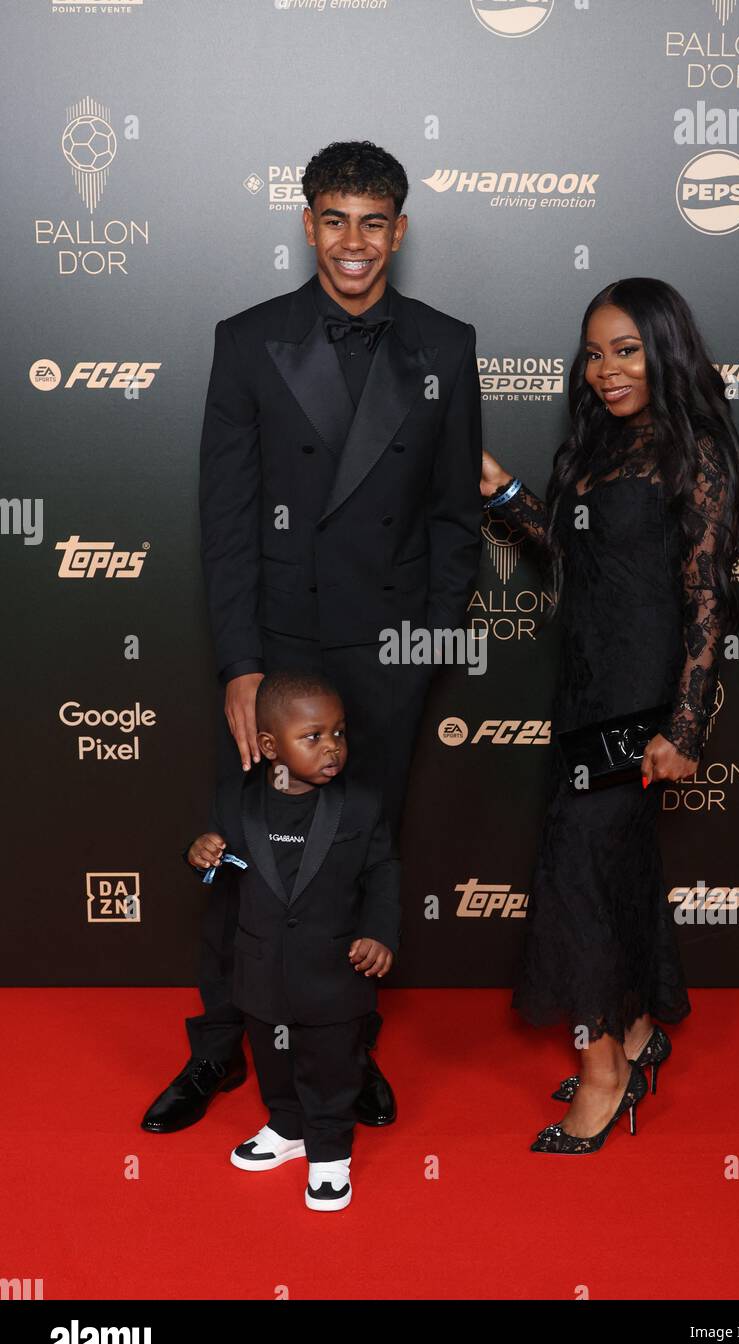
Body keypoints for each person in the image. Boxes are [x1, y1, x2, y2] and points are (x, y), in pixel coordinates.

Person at [142, 140, 482, 1135]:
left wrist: (425, 652)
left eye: (373, 222)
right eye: (334, 219)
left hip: (383, 658)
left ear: (399, 230)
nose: (353, 243)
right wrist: (241, 664)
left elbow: (455, 519)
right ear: (306, 224)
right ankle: (216, 1052)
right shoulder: (247, 341)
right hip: (279, 653)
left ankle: (344, 1049)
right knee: (242, 860)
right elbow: (229, 515)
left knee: (355, 859)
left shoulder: (445, 347)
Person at [480, 277, 739, 1155]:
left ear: (664, 349)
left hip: (641, 702)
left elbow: (707, 598)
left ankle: (604, 1073)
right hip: (583, 690)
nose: (605, 370)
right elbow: (576, 554)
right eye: (594, 353)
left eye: (626, 350)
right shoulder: (592, 448)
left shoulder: (694, 451)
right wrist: (506, 493)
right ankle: (636, 1034)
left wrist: (687, 726)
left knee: (583, 876)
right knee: (614, 866)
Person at [185, 669, 400, 1211]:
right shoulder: (236, 800)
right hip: (259, 968)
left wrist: (379, 933)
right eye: (313, 737)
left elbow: (383, 874)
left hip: (334, 971)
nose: (332, 748)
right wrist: (201, 852)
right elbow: (218, 861)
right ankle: (286, 1129)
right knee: (274, 1060)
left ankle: (330, 1154)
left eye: (339, 733)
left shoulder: (362, 805)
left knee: (330, 1065)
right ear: (267, 746)